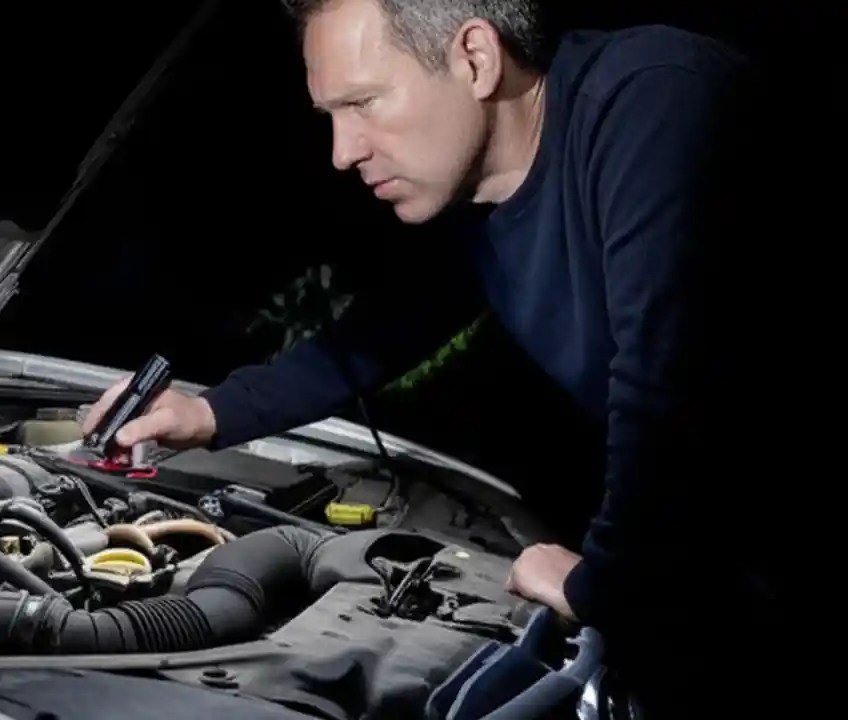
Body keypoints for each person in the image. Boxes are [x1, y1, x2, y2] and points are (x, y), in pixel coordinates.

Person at [84, 0, 802, 713]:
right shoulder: (485, 203)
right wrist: (206, 413)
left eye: (363, 102)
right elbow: (377, 335)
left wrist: (600, 584)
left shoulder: (654, 98)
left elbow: (662, 384)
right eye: (330, 114)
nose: (343, 150)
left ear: (476, 58)